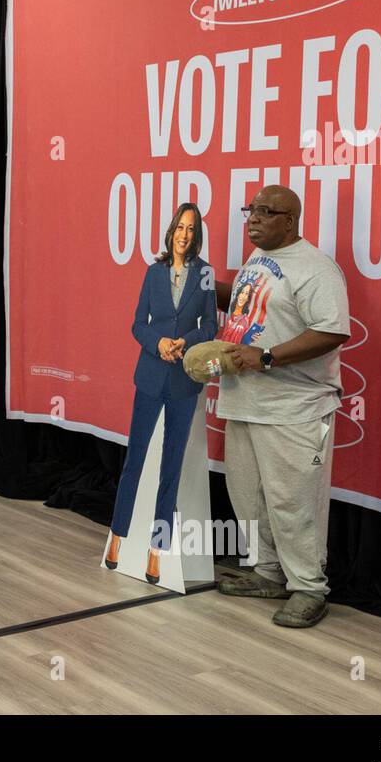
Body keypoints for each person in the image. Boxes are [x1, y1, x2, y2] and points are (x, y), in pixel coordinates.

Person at [213, 185, 350, 628]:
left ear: (290, 220)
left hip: (295, 406)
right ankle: (268, 573)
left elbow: (332, 331)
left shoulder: (316, 267)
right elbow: (251, 306)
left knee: (294, 503)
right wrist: (204, 287)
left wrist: (267, 357)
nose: (253, 219)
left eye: (265, 212)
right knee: (249, 498)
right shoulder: (258, 260)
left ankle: (309, 587)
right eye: (250, 211)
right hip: (246, 400)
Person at [106, 203, 217, 581]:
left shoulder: (205, 274)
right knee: (134, 460)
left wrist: (184, 341)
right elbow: (138, 325)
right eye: (179, 227)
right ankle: (117, 536)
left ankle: (157, 549)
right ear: (171, 232)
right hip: (151, 375)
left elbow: (211, 327)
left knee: (171, 466)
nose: (184, 234)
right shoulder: (153, 273)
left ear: (196, 235)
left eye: (191, 228)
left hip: (184, 380)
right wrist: (159, 344)